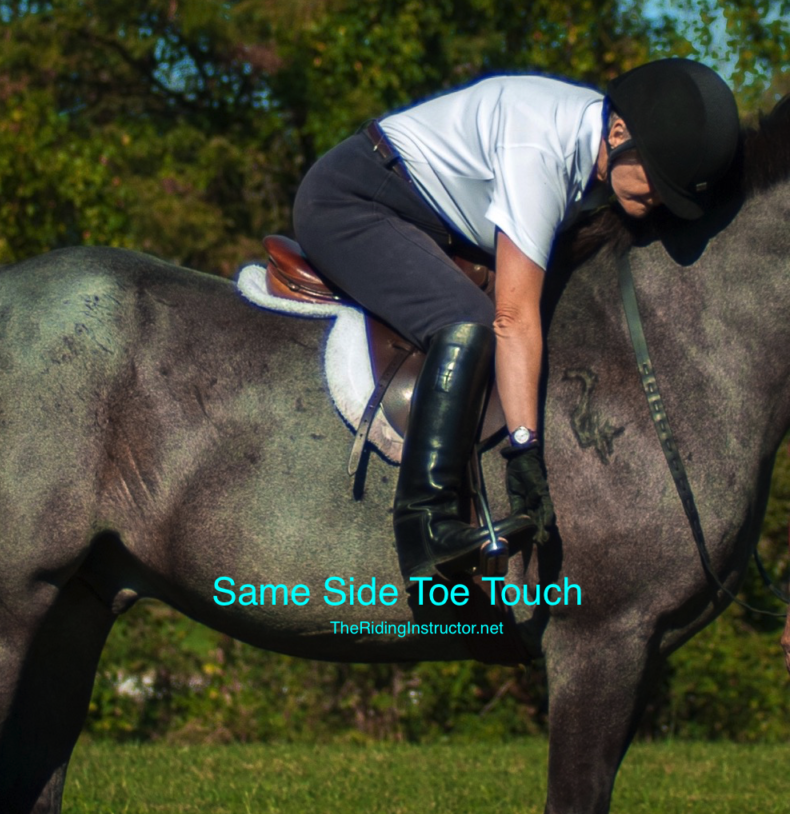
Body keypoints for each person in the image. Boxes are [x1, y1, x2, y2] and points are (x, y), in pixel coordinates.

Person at [292, 58, 740, 583]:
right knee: (468, 321)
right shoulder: (542, 150)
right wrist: (523, 449)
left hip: (428, 216)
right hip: (355, 199)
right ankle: (424, 526)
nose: (657, 201)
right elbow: (513, 318)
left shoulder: (600, 155)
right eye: (659, 182)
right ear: (618, 131)